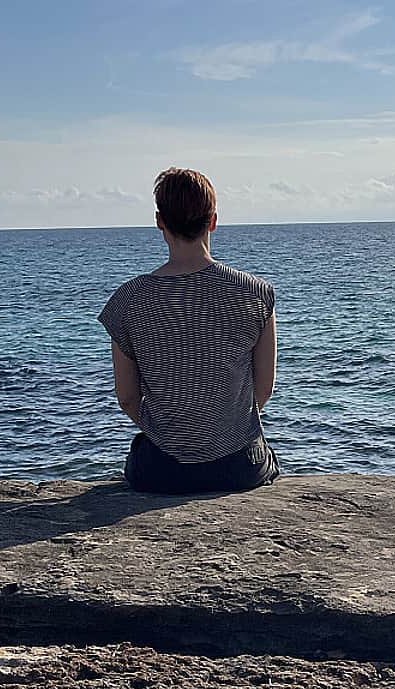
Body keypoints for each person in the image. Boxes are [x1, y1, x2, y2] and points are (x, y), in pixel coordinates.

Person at [99, 167, 280, 494]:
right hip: (238, 467)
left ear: (159, 222)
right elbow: (263, 390)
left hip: (161, 470)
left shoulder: (128, 299)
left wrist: (173, 436)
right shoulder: (256, 292)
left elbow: (127, 398)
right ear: (212, 221)